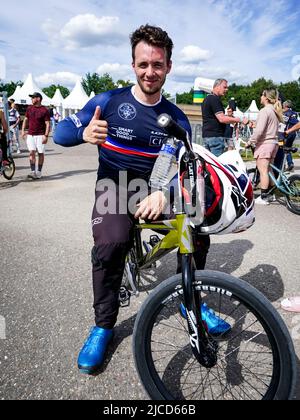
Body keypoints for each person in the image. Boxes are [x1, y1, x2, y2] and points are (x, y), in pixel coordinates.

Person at [54, 24, 228, 375]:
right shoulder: (109, 101)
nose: (151, 71)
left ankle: (189, 300)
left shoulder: (176, 117)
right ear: (133, 65)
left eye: (158, 65)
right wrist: (84, 133)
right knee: (111, 243)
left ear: (168, 67)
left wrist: (165, 193)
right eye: (144, 64)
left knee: (197, 224)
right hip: (114, 186)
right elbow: (60, 132)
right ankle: (103, 325)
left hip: (155, 186)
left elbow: (182, 166)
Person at [247, 89, 283, 205]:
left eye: (262, 95)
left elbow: (260, 131)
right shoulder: (274, 111)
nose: (260, 97)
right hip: (273, 143)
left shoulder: (264, 111)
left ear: (266, 98)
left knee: (263, 171)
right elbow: (266, 127)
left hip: (265, 144)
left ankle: (263, 197)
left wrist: (251, 141)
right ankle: (271, 194)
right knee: (269, 170)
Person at [202, 79, 248, 157]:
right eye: (224, 87)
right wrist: (239, 120)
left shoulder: (206, 99)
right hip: (215, 137)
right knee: (217, 165)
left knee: (208, 165)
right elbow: (222, 119)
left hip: (207, 136)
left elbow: (217, 117)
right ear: (217, 86)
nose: (226, 90)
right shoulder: (214, 99)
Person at [21, 92, 50, 179]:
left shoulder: (44, 110)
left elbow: (47, 123)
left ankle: (39, 172)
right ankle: (33, 171)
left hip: (41, 135)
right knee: (31, 152)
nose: (32, 99)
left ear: (38, 99)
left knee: (40, 153)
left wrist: (46, 135)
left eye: (33, 97)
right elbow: (25, 120)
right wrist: (23, 131)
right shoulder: (29, 108)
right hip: (30, 134)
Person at [275, 100, 299, 172]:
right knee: (287, 148)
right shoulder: (294, 113)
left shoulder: (284, 113)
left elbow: (282, 123)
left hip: (285, 134)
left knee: (282, 148)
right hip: (293, 134)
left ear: (285, 106)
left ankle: (282, 165)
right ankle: (290, 163)